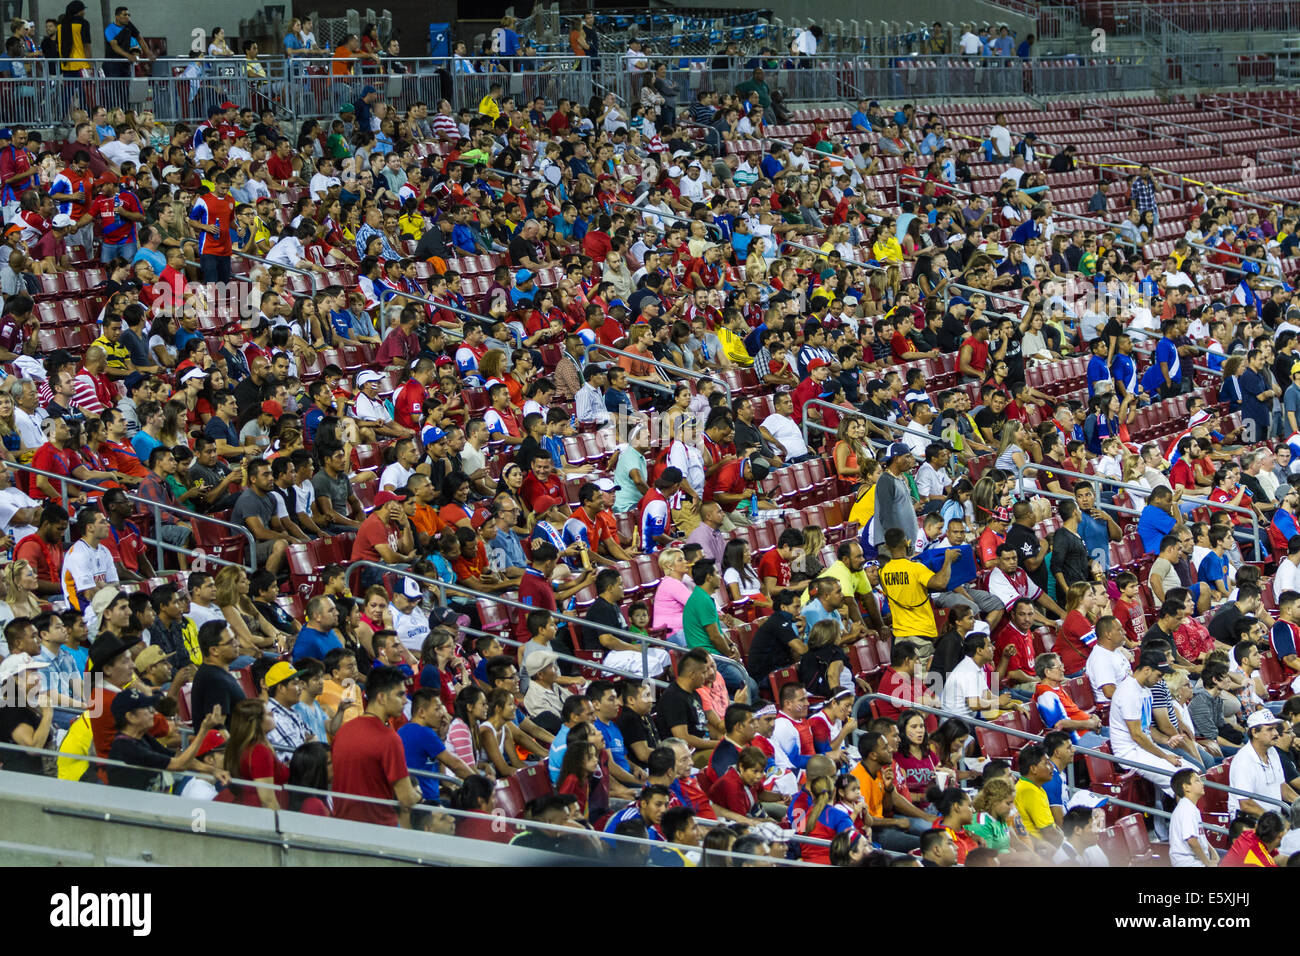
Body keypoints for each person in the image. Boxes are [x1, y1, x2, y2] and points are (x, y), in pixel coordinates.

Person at [332, 665, 422, 826]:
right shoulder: (389, 739)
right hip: (377, 830)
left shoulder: (344, 731)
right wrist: (418, 795)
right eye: (400, 694)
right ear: (381, 698)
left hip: (341, 827)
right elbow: (407, 798)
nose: (404, 701)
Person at [1168, 767, 1217, 867]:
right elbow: (1191, 841)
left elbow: (1199, 836)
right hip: (1189, 863)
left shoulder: (1189, 807)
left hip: (1198, 859)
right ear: (1186, 787)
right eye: (1197, 781)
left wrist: (1213, 851)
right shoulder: (1186, 809)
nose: (1202, 783)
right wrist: (1208, 863)